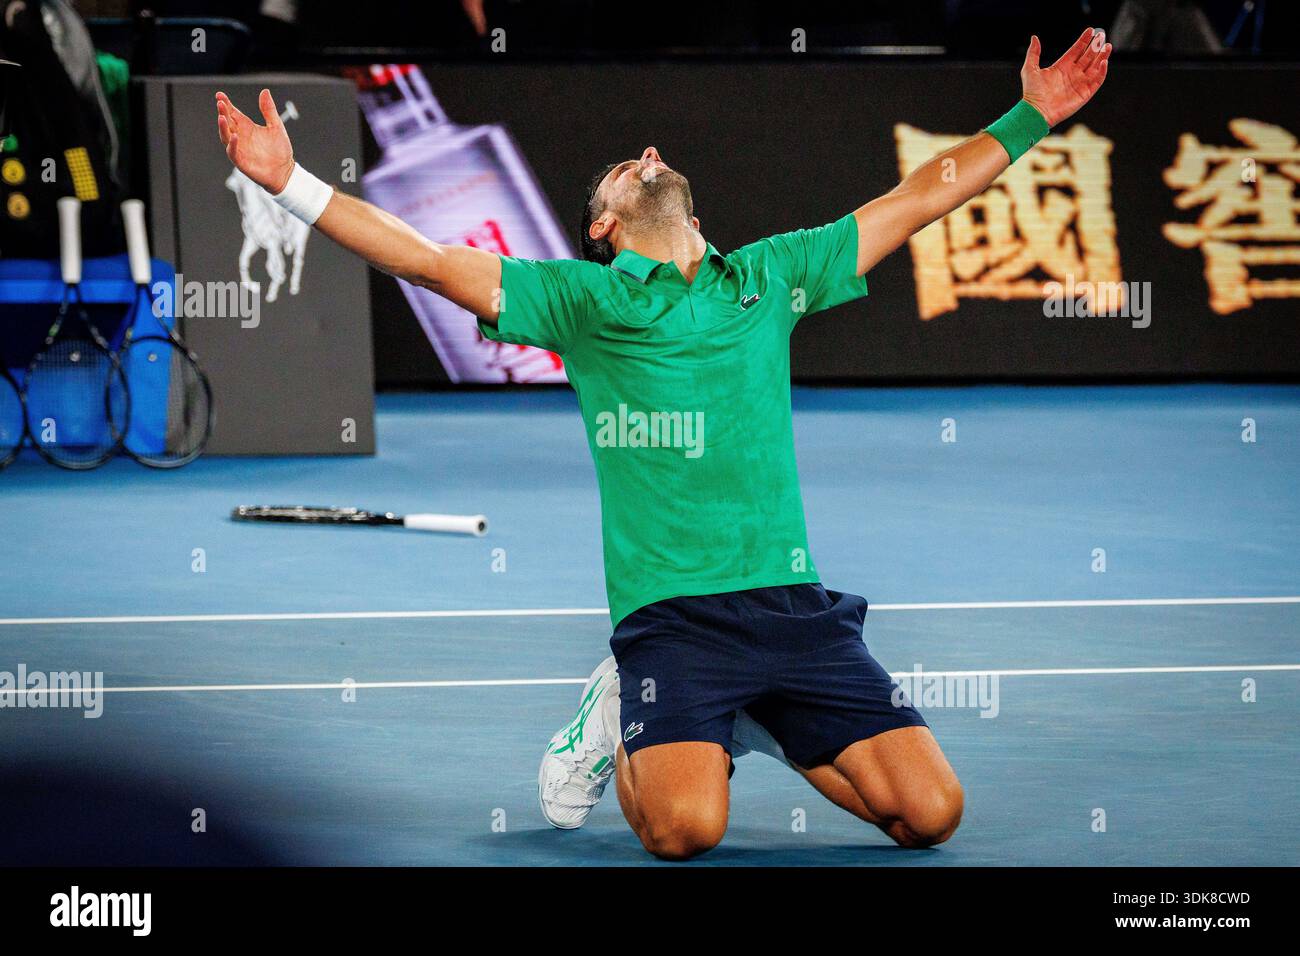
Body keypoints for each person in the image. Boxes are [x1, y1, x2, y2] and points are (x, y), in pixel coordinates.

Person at [214, 26, 1111, 860]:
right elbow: (422, 257)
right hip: (674, 620)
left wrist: (1034, 114)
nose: (645, 157)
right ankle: (618, 708)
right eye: (620, 168)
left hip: (793, 608)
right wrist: (289, 182)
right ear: (603, 228)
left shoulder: (773, 275)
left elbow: (920, 197)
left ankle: (756, 717)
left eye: (649, 156)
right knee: (685, 833)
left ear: (688, 204)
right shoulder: (581, 302)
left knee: (931, 816)